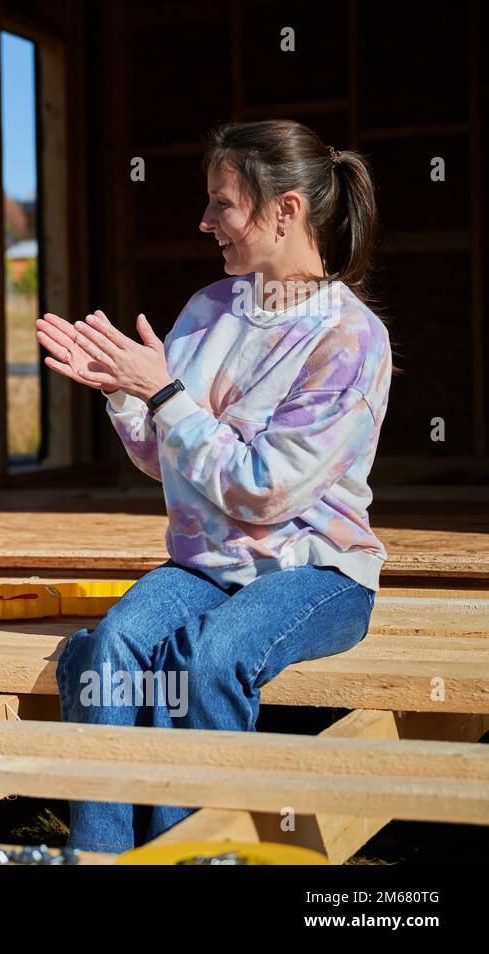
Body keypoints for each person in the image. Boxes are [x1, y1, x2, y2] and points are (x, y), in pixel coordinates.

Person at [36, 119, 391, 853]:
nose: (206, 222)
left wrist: (163, 394)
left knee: (207, 659)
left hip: (315, 569)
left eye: (222, 204)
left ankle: (195, 853)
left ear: (286, 211)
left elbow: (266, 490)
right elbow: (165, 458)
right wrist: (124, 393)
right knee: (110, 651)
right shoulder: (208, 309)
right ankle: (99, 853)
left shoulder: (348, 340)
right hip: (210, 565)